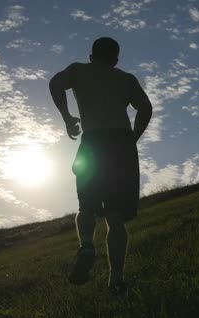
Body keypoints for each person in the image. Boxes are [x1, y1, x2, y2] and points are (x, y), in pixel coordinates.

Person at [49, 37, 152, 296]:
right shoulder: (126, 79)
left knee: (86, 206)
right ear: (116, 60)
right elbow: (146, 108)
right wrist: (133, 138)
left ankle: (86, 245)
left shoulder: (78, 70)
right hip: (121, 146)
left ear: (91, 55)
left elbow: (55, 84)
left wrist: (67, 117)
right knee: (116, 218)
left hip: (92, 143)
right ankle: (116, 280)